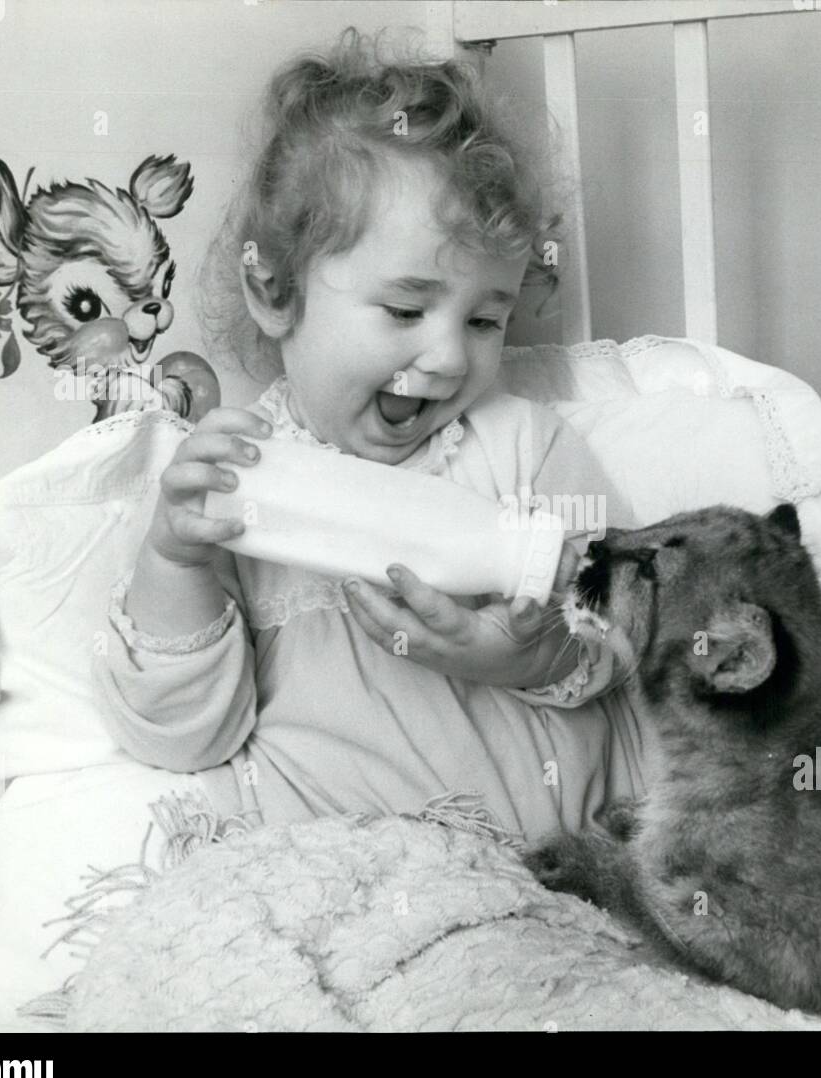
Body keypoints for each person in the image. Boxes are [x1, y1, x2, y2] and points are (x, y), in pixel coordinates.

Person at [92, 29, 648, 838]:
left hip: (565, 863)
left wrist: (529, 657)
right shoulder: (241, 481)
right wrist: (177, 557)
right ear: (276, 290)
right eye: (404, 309)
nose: (451, 354)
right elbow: (181, 736)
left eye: (487, 318)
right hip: (356, 877)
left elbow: (636, 639)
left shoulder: (524, 448)